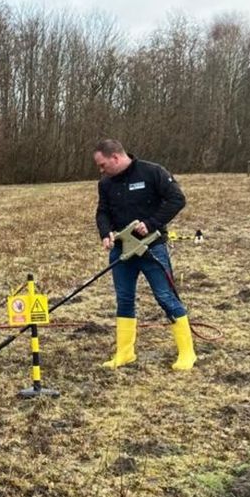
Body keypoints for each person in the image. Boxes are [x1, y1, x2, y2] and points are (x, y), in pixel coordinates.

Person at [93, 139, 196, 370]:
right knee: (124, 299)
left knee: (165, 297)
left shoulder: (153, 172)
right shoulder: (106, 183)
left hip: (152, 248)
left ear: (115, 158)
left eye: (102, 165)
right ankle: (125, 353)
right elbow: (102, 211)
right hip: (122, 251)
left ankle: (187, 353)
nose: (101, 170)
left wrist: (151, 223)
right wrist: (105, 233)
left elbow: (177, 200)